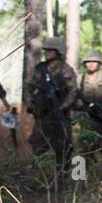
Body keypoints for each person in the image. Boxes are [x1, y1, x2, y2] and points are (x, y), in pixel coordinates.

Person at [24, 37, 78, 172]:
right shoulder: (40, 68)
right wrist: (30, 102)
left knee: (63, 146)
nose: (47, 52)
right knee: (38, 145)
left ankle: (63, 176)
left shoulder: (66, 70)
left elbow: (73, 91)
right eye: (46, 50)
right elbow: (28, 86)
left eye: (50, 50)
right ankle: (38, 176)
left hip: (60, 115)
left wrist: (63, 106)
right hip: (42, 115)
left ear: (58, 52)